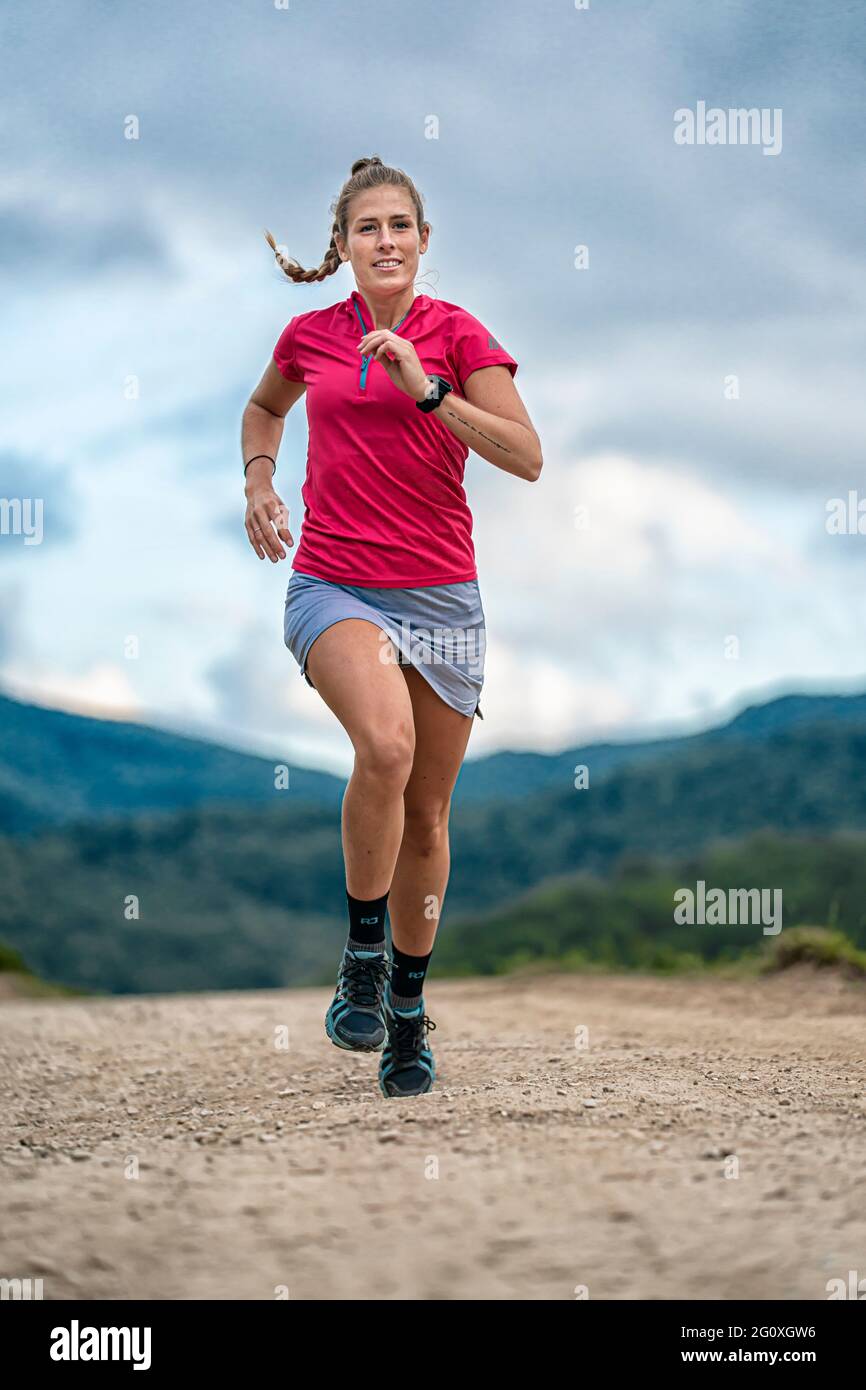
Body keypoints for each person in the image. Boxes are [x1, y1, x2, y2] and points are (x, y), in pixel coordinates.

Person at [241, 155, 542, 1098]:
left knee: (428, 813)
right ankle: (363, 954)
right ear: (341, 247)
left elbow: (527, 457)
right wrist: (259, 478)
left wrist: (427, 391)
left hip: (444, 597)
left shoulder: (457, 337)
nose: (385, 242)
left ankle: (407, 1013)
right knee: (384, 747)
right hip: (335, 583)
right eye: (366, 228)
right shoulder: (309, 335)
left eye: (399, 227)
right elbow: (263, 408)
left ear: (422, 242)